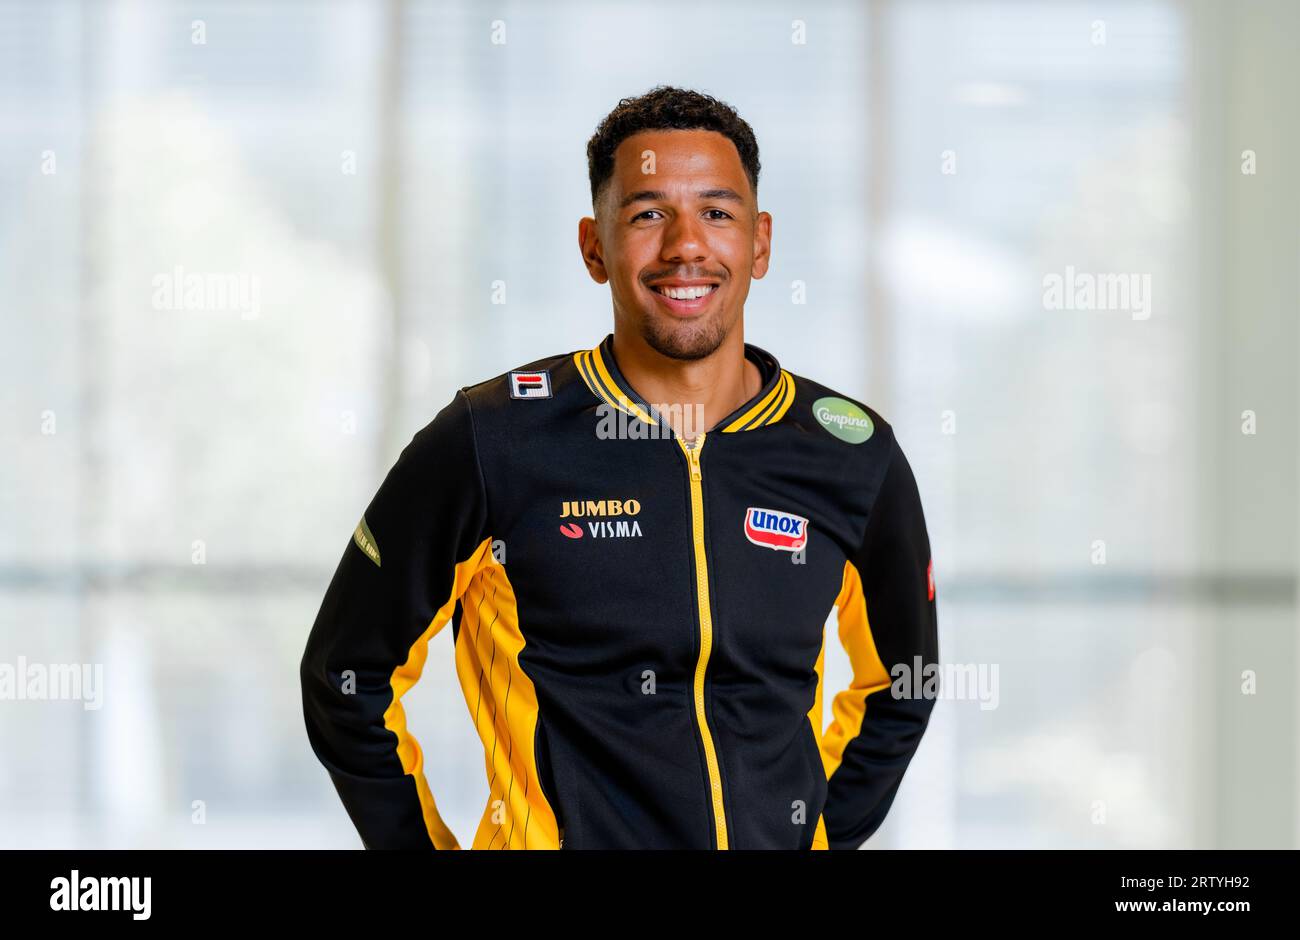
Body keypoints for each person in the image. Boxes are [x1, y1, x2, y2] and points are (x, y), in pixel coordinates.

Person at [300, 85, 939, 850]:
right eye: (647, 214)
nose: (685, 247)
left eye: (717, 212)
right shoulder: (490, 440)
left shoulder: (853, 455)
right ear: (594, 246)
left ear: (760, 243)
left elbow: (901, 687)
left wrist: (815, 832)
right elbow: (346, 678)